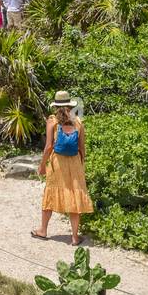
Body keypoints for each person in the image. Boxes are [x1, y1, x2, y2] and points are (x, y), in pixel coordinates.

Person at [32, 91, 93, 245]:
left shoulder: (52, 121)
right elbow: (82, 148)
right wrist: (81, 164)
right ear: (69, 105)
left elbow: (48, 147)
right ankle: (74, 237)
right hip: (74, 163)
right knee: (74, 196)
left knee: (50, 193)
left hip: (57, 163)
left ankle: (43, 230)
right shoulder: (78, 122)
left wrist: (42, 165)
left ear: (56, 106)